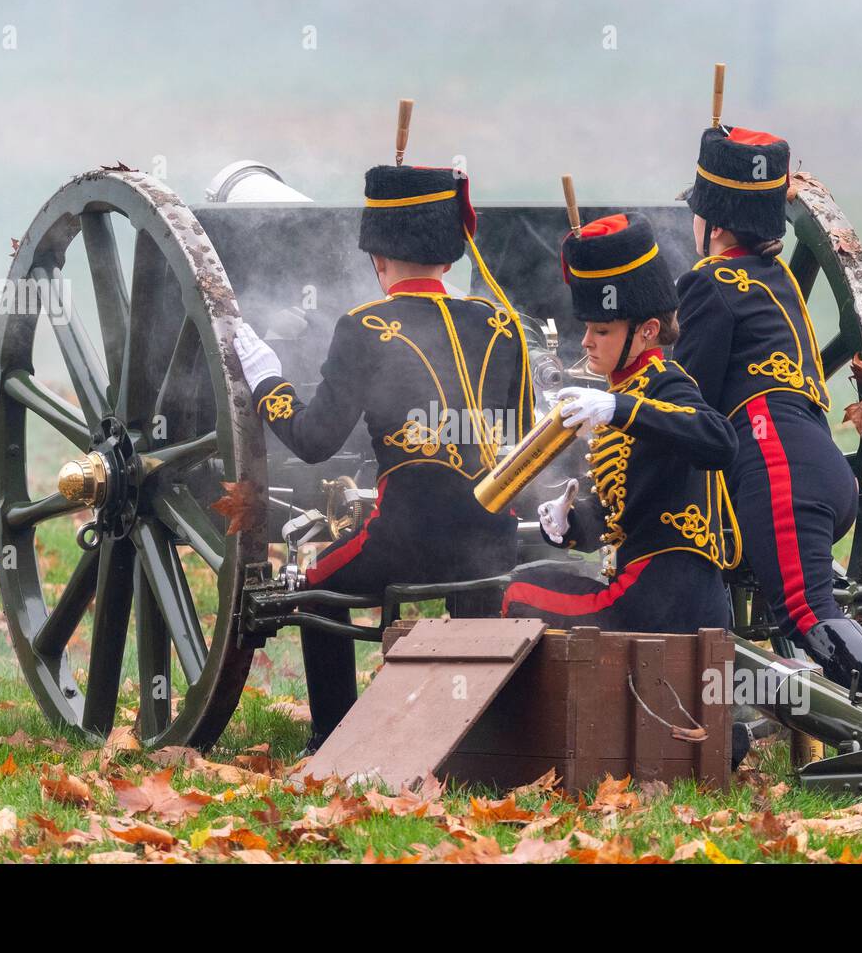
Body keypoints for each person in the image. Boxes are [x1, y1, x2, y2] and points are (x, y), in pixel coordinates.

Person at [231, 163, 535, 750]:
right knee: (470, 567)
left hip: (403, 548)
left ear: (377, 259)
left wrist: (268, 378)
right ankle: (477, 738)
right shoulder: (504, 325)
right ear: (448, 259)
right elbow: (521, 444)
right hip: (494, 540)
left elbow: (314, 441)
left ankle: (333, 740)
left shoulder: (365, 326)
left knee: (314, 585)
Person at [673, 122, 862, 710]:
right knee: (809, 605)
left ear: (716, 225)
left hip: (778, 469)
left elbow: (688, 400)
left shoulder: (708, 282)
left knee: (809, 612)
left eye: (696, 214)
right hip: (818, 469)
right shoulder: (777, 279)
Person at [502, 213, 740, 634]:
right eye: (588, 329)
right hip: (650, 593)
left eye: (603, 331)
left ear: (647, 331)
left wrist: (618, 409)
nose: (588, 341)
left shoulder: (664, 383)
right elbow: (626, 521)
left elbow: (719, 439)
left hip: (665, 597)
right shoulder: (623, 392)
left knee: (517, 593)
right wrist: (569, 523)